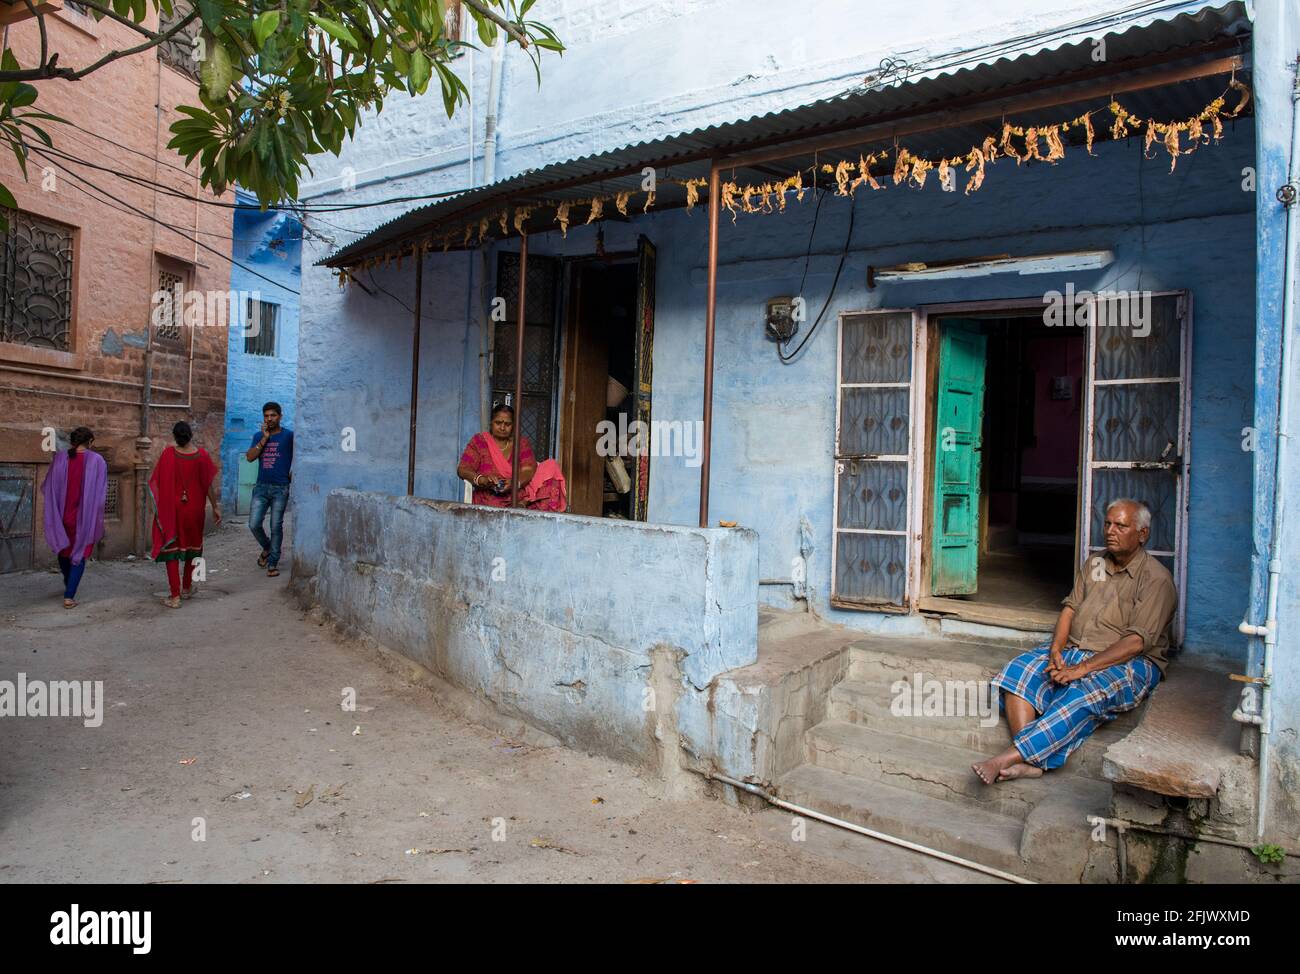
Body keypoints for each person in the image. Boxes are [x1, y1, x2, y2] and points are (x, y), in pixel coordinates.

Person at [972, 499, 1176, 784]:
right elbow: (1070, 608)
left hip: (1131, 661)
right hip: (1077, 650)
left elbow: (1135, 643)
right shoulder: (1096, 564)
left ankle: (1006, 758)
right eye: (1107, 523)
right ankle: (1033, 761)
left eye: (1121, 525)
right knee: (1019, 673)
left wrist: (1082, 669)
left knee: (1082, 694)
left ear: (1142, 534)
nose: (1110, 531)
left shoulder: (1156, 579)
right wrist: (1056, 650)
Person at [149, 421, 220, 609]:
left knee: (171, 550)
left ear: (175, 436)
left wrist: (158, 508)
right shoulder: (202, 456)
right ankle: (188, 587)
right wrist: (215, 507)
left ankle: (175, 596)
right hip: (196, 509)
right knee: (193, 547)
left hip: (173, 509)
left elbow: (157, 482)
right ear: (191, 435)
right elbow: (208, 486)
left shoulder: (168, 454)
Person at [40, 427, 108, 609]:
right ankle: (69, 595)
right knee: (80, 554)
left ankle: (68, 583)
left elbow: (48, 487)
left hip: (62, 517)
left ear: (72, 442)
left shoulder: (60, 459)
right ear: (91, 442)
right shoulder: (97, 461)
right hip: (84, 519)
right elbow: (101, 496)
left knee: (64, 551)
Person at [456, 403, 566, 511]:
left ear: (513, 426)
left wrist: (514, 483)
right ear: (491, 423)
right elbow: (463, 469)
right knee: (492, 503)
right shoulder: (479, 441)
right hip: (488, 496)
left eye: (507, 424)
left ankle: (524, 505)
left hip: (517, 496)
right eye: (498, 423)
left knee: (551, 466)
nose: (502, 427)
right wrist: (482, 479)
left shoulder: (521, 443)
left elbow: (528, 469)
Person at [245, 401, 293, 577]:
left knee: (276, 526)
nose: (269, 419)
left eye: (273, 415)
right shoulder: (259, 436)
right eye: (266, 416)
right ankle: (267, 547)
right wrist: (264, 439)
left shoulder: (288, 436)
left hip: (280, 488)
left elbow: (300, 454)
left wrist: (292, 472)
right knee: (254, 524)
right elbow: (250, 457)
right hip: (261, 487)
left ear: (280, 416)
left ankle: (273, 562)